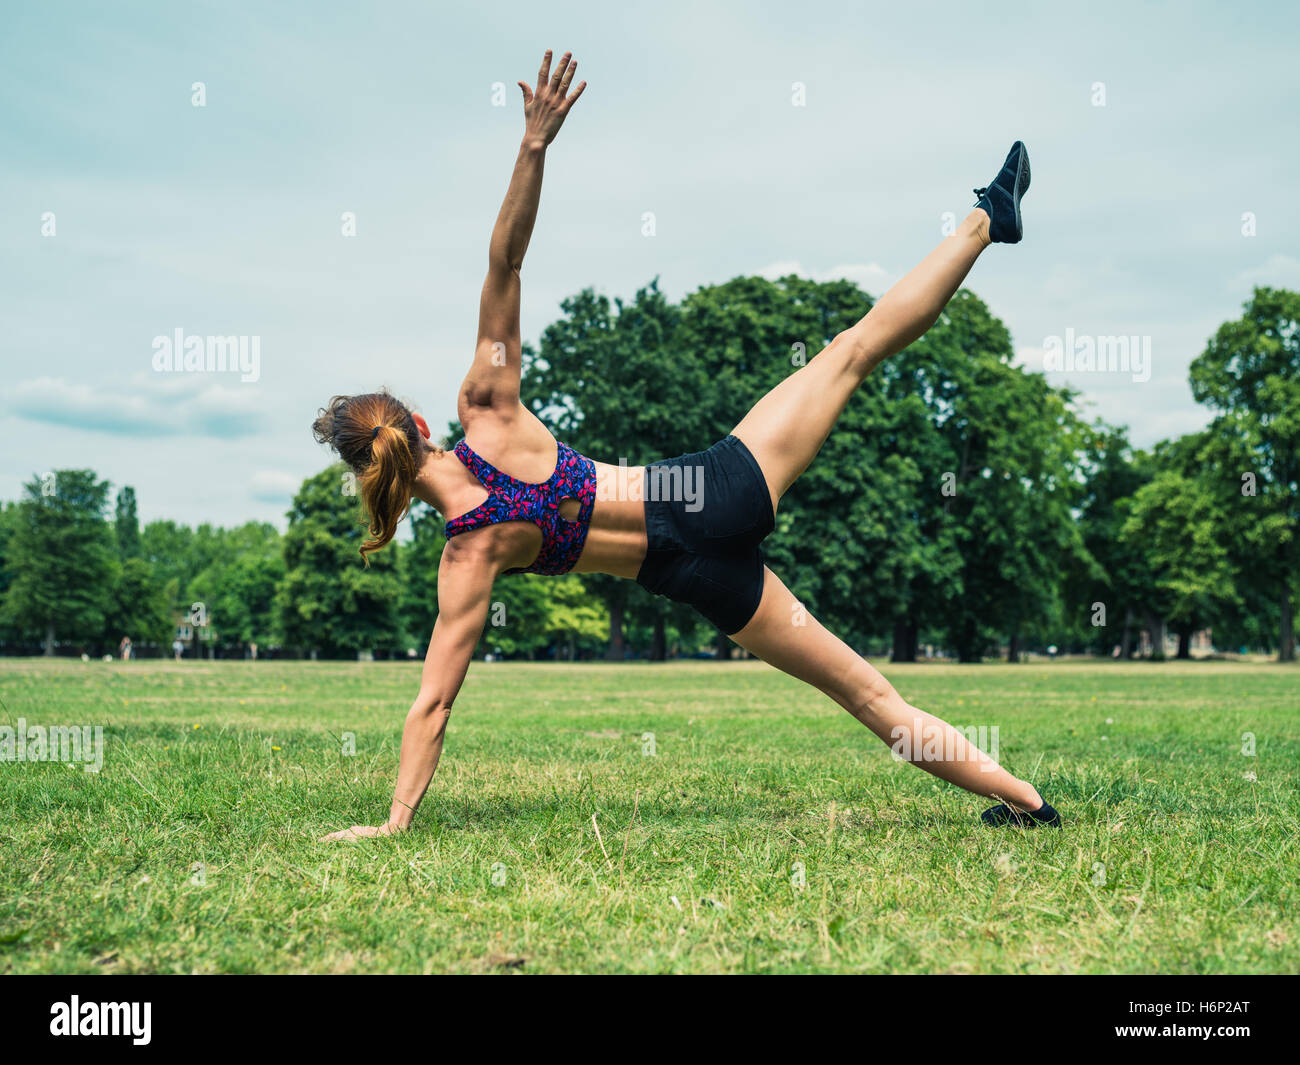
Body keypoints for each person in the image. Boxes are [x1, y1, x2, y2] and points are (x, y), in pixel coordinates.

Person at [315, 50, 1059, 840]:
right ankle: (984, 222)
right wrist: (533, 148)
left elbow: (433, 703)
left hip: (699, 575)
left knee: (870, 700)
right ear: (420, 426)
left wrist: (395, 823)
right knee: (851, 350)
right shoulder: (488, 408)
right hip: (704, 491)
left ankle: (1028, 801)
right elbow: (506, 260)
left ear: (381, 482)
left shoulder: (467, 557)